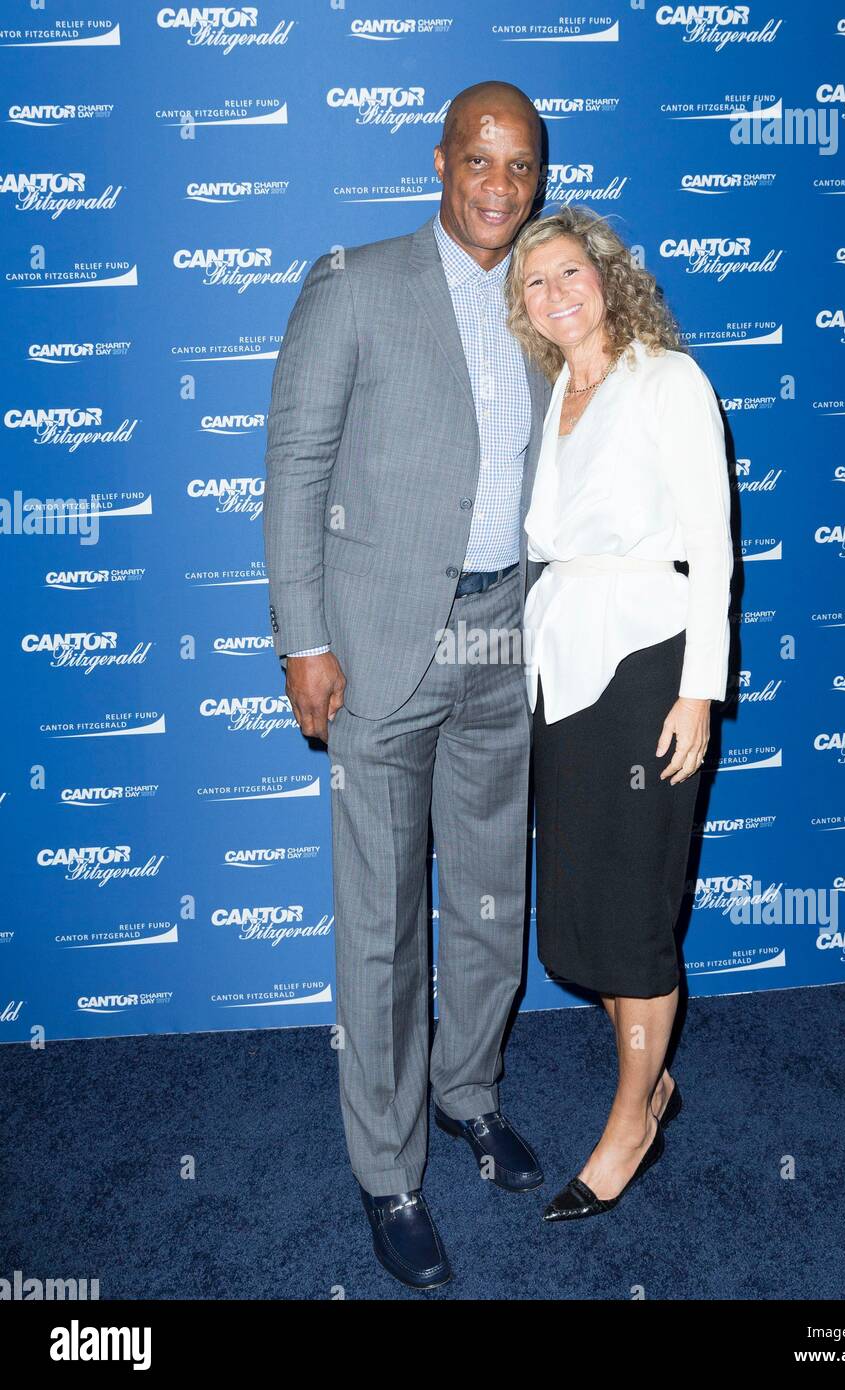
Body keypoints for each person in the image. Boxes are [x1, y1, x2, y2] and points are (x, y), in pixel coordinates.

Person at [262, 82, 551, 1289]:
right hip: (382, 644)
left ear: (538, 177)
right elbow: (294, 466)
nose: (497, 185)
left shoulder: (551, 297)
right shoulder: (355, 282)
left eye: (520, 166)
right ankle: (388, 1169)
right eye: (478, 160)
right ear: (440, 162)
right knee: (381, 925)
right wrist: (303, 638)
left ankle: (469, 1094)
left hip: (502, 631)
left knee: (488, 894)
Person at [505, 205, 734, 1221]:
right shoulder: (557, 391)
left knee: (635, 920)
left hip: (647, 665)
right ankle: (653, 1076)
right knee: (580, 925)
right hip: (562, 669)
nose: (553, 295)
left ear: (604, 274)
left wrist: (699, 687)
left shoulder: (664, 378)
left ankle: (628, 1120)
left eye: (566, 273)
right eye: (531, 285)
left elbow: (714, 548)